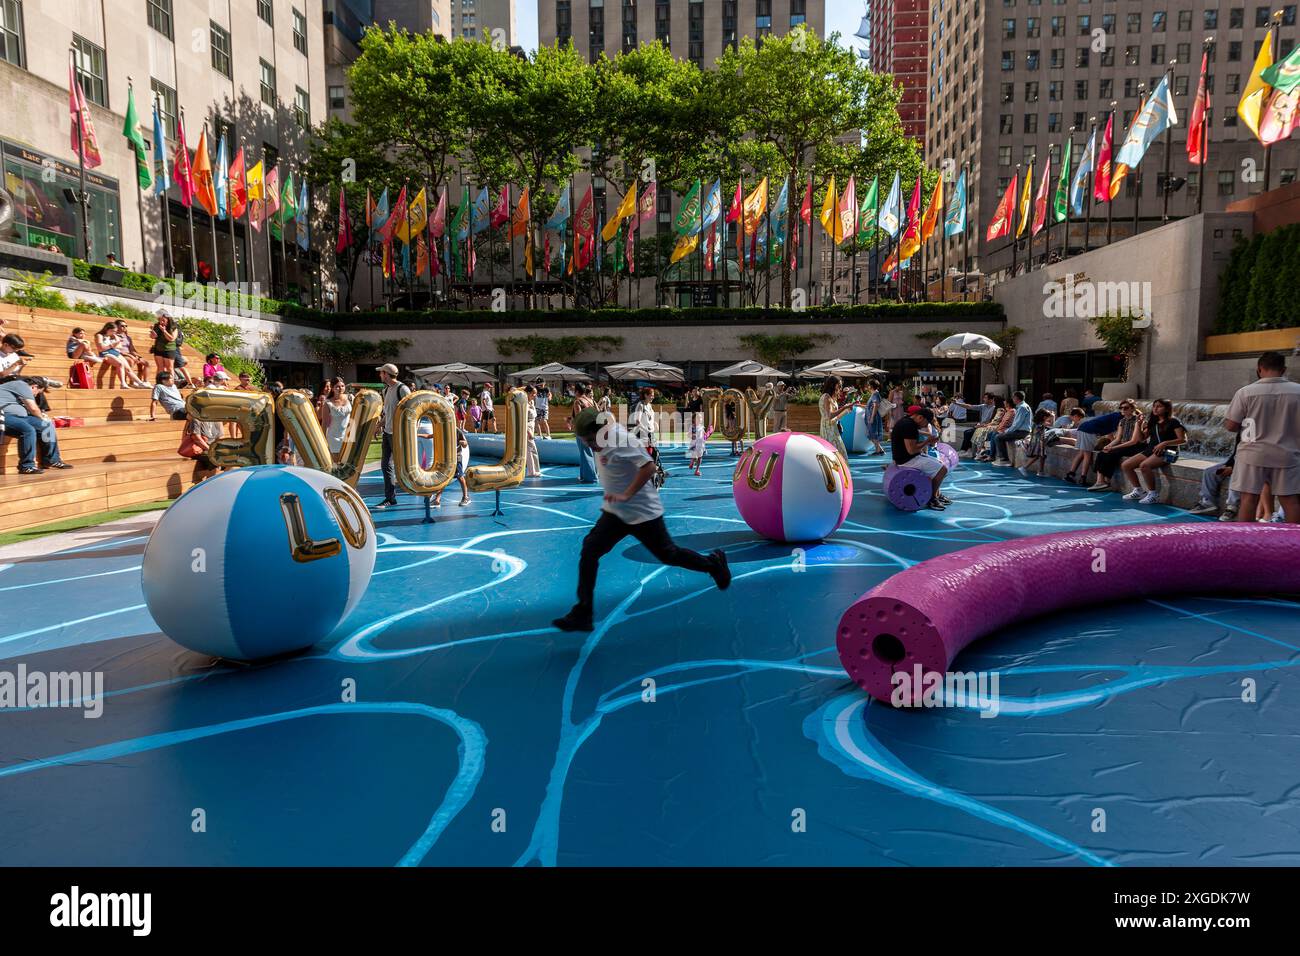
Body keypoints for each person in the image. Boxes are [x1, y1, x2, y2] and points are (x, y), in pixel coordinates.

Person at [551, 408, 731, 632]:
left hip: (642, 511)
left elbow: (649, 467)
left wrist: (627, 493)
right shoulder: (598, 438)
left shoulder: (621, 440)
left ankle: (713, 565)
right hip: (616, 511)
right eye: (584, 441)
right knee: (590, 549)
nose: (589, 445)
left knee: (669, 554)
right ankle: (583, 612)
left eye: (590, 439)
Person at [1223, 351, 1300, 524]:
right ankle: (1295, 546)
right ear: (1284, 369)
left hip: (1252, 454)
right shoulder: (1298, 391)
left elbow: (1231, 425)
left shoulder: (1246, 392)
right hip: (1288, 454)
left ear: (1259, 369)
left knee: (1249, 499)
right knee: (1290, 500)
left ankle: (1246, 543)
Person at [1120, 399, 1187, 505]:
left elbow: (1183, 439)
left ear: (1166, 409)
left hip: (1170, 452)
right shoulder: (1153, 421)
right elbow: (1141, 438)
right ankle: (1138, 491)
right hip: (1151, 450)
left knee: (1144, 465)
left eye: (1159, 406)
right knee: (1126, 465)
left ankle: (1153, 494)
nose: (1155, 408)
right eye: (1154, 406)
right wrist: (1139, 424)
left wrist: (1165, 443)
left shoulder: (1174, 421)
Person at [0, 376, 71, 474]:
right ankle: (26, 466)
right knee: (28, 430)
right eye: (38, 392)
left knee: (47, 425)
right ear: (34, 387)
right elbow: (33, 408)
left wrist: (44, 419)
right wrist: (42, 417)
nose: (36, 395)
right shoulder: (22, 385)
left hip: (19, 417)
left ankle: (52, 460)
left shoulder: (18, 389)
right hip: (4, 416)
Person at [892, 405, 949, 510]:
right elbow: (911, 450)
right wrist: (928, 441)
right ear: (920, 417)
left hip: (906, 457)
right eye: (926, 423)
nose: (925, 425)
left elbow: (913, 435)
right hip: (907, 459)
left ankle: (936, 493)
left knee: (940, 464)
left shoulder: (907, 421)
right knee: (943, 470)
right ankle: (931, 498)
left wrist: (927, 436)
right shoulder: (909, 426)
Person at [374, 363, 410, 509]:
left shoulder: (402, 389)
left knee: (405, 466)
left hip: (398, 435)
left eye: (381, 373)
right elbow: (388, 413)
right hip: (387, 433)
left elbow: (411, 411)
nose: (380, 375)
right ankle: (390, 498)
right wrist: (379, 425)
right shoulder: (386, 390)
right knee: (386, 465)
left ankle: (427, 489)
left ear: (386, 374)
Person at [819, 375, 860, 462]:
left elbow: (835, 417)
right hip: (828, 430)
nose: (841, 387)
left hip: (833, 429)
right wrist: (844, 408)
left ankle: (841, 475)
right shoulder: (826, 397)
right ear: (832, 385)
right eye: (839, 385)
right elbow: (829, 416)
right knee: (837, 456)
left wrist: (846, 410)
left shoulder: (831, 397)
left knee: (840, 456)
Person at [95, 322, 149, 388]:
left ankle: (140, 383)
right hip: (105, 353)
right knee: (120, 364)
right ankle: (123, 383)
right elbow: (101, 349)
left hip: (114, 352)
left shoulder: (112, 336)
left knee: (128, 369)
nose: (114, 333)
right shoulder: (99, 335)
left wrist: (115, 340)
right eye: (113, 331)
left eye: (115, 331)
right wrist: (112, 345)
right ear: (107, 329)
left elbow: (119, 346)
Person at [991, 391, 1032, 466]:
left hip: (1021, 432)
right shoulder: (1023, 406)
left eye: (1013, 397)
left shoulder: (1022, 407)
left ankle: (1004, 460)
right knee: (997, 435)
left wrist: (1006, 431)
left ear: (1016, 398)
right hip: (1021, 431)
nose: (1012, 399)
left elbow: (1017, 424)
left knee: (998, 437)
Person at [569, 382, 598, 483]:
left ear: (576, 391)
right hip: (593, 430)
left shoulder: (578, 401)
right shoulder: (591, 400)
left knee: (585, 453)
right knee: (592, 453)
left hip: (583, 431)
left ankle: (590, 477)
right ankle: (586, 475)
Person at [1018, 409, 1054, 478]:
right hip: (1038, 442)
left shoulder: (1036, 422)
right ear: (1044, 417)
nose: (1048, 418)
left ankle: (1041, 471)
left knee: (1042, 456)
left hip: (1036, 441)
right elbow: (1051, 425)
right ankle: (1024, 467)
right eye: (1047, 417)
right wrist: (1053, 417)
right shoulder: (1041, 423)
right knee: (1037, 456)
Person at [324, 382, 353, 461]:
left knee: (348, 462)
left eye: (342, 386)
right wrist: (323, 439)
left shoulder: (350, 398)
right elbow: (325, 423)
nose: (340, 388)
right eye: (337, 386)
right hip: (334, 437)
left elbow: (355, 416)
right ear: (332, 388)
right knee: (336, 463)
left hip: (349, 435)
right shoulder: (327, 402)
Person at [149, 312, 181, 377]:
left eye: (163, 320)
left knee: (169, 368)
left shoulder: (173, 327)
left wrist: (164, 331)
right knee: (160, 368)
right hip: (158, 349)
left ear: (168, 320)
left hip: (169, 349)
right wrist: (152, 333)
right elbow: (153, 337)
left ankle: (171, 383)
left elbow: (171, 339)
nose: (161, 322)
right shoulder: (157, 325)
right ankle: (159, 383)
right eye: (160, 320)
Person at [523, 385, 541, 479]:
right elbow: (523, 420)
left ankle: (534, 470)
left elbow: (534, 418)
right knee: (531, 449)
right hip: (527, 428)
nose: (535, 395)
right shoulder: (524, 404)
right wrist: (528, 432)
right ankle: (532, 471)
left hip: (532, 426)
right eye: (534, 393)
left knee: (531, 449)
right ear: (528, 393)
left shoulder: (532, 402)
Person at [863, 380, 885, 455]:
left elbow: (876, 406)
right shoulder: (874, 394)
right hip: (871, 416)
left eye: (868, 385)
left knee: (873, 434)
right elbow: (871, 406)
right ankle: (880, 449)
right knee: (872, 434)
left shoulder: (875, 394)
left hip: (873, 417)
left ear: (871, 386)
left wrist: (872, 417)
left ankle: (878, 450)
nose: (867, 386)